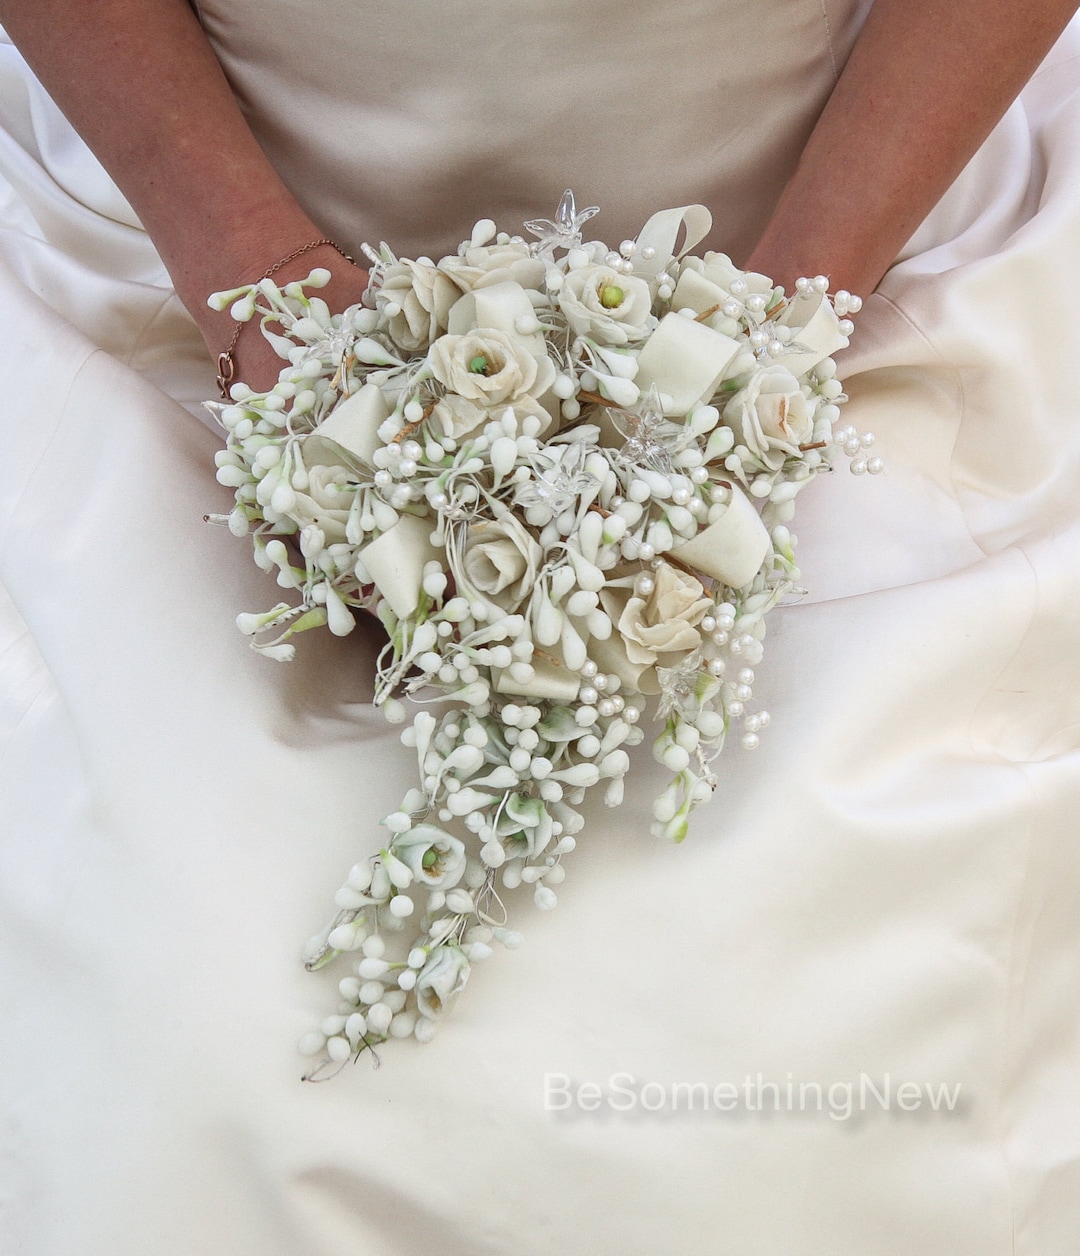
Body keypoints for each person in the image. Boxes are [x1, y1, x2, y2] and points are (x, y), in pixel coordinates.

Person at [1, 2, 1079, 1252]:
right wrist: (260, 293)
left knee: (810, 995)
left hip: (861, 225)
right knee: (190, 986)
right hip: (190, 224)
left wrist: (770, 351)